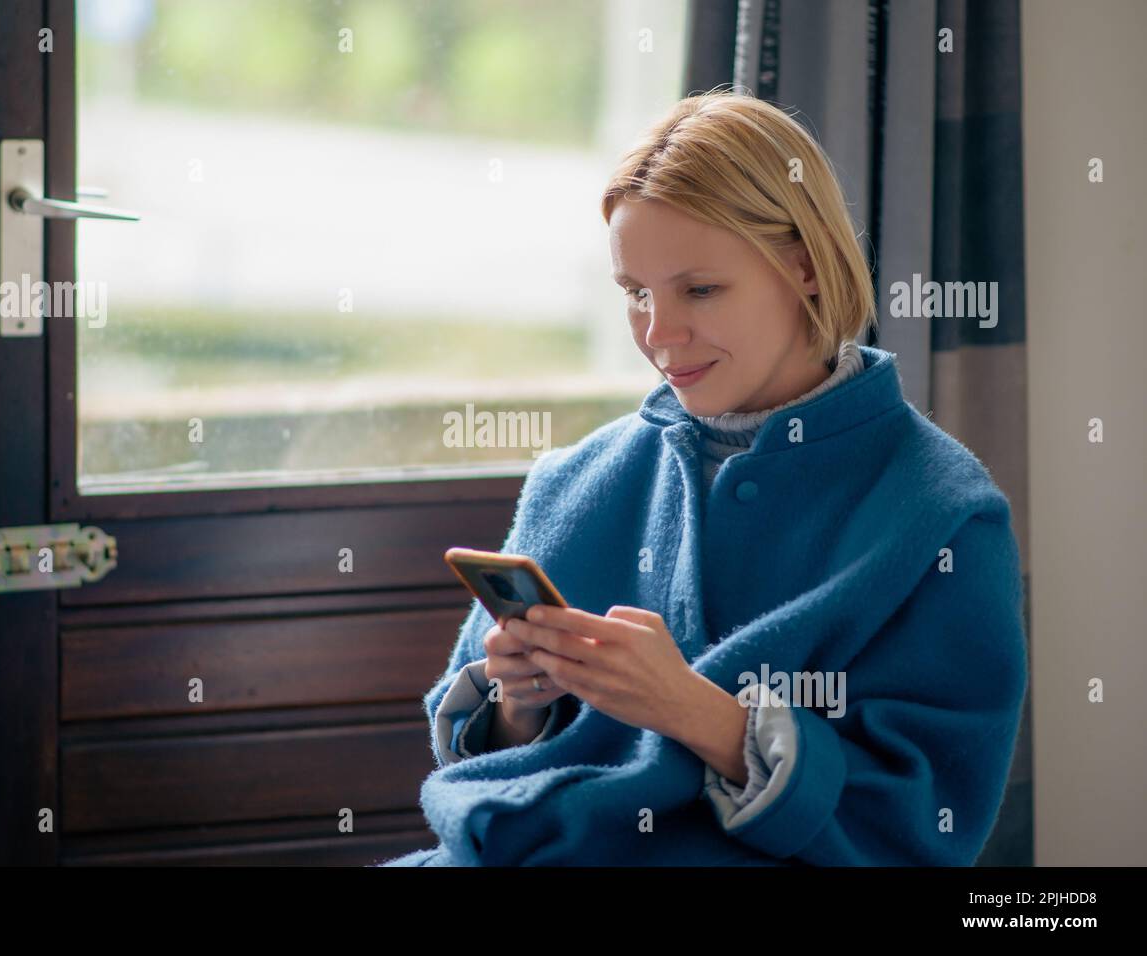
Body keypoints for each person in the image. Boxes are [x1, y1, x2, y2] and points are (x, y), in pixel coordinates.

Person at [377, 91, 1028, 867]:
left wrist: (695, 712)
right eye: (636, 294)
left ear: (807, 267)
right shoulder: (572, 481)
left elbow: (925, 827)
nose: (659, 333)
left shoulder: (943, 517)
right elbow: (480, 766)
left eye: (700, 290)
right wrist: (520, 704)